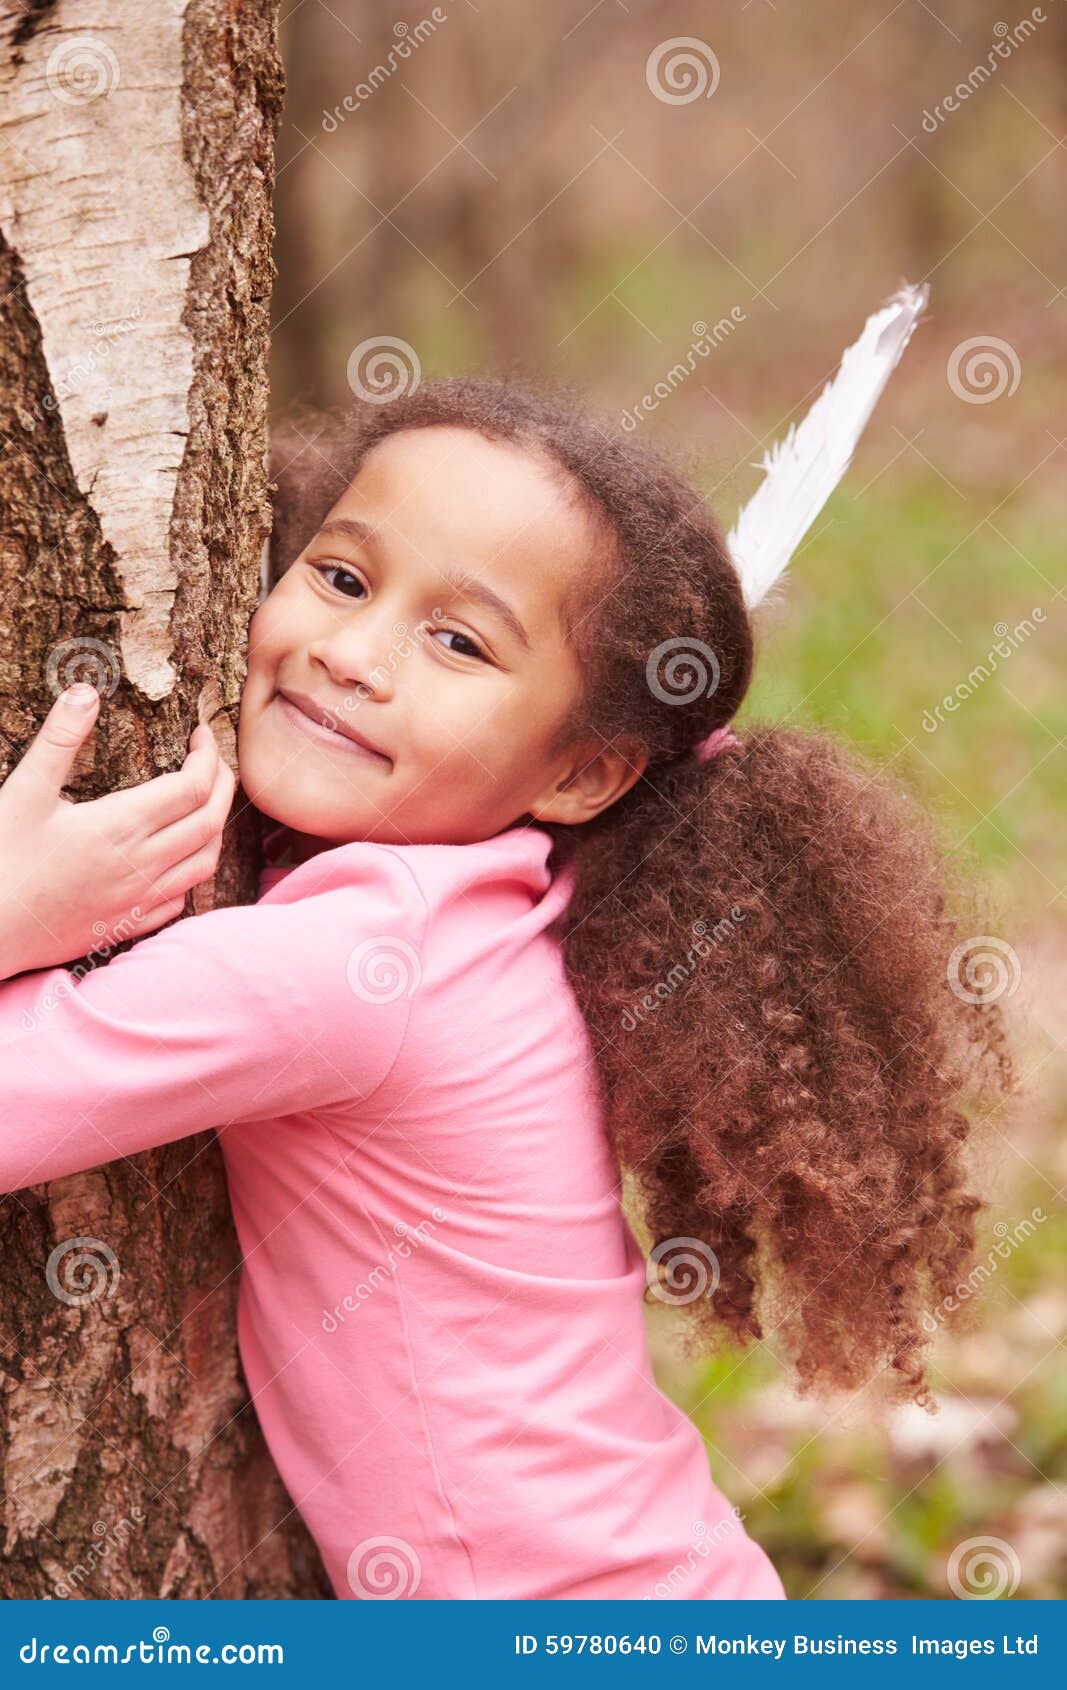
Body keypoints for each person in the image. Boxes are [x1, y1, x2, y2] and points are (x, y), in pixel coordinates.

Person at [0, 377, 1014, 1600]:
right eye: (341, 577)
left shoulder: (353, 967)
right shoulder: (508, 889)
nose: (350, 654)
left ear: (581, 776)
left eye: (459, 643)